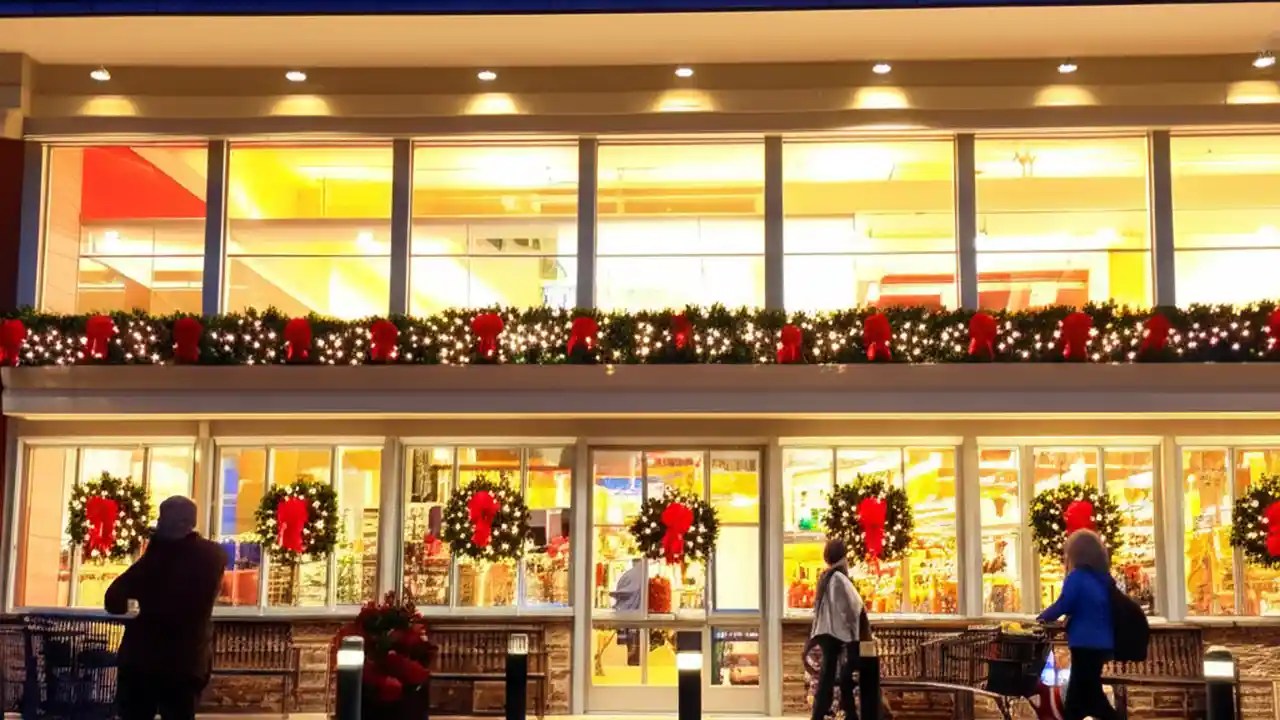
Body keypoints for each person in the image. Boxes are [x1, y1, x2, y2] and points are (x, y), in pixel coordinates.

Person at [105, 496, 227, 720]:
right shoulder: (214, 555)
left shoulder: (157, 558)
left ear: (168, 523)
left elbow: (113, 599)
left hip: (146, 661)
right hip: (190, 660)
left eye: (161, 519)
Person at [1037, 529, 1118, 720]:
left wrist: (1042, 618)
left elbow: (1065, 603)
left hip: (1085, 642)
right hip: (1101, 642)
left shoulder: (1077, 577)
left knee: (1087, 695)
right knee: (1083, 693)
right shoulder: (1102, 578)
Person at [807, 538, 870, 720]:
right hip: (837, 633)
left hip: (828, 632)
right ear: (842, 556)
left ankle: (833, 711)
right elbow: (851, 607)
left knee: (834, 673)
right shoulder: (839, 579)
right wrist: (854, 632)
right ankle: (829, 712)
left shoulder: (828, 577)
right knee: (837, 674)